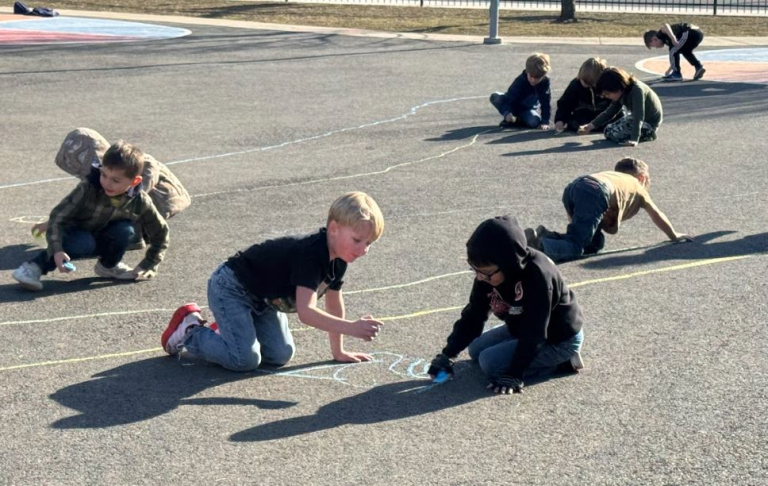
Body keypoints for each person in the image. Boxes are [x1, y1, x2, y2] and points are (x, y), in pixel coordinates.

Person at [161, 191, 386, 372]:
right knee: (244, 360)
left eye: (369, 243)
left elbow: (334, 305)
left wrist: (338, 351)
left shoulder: (339, 260)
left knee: (280, 355)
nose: (363, 250)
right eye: (357, 240)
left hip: (265, 300)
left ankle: (232, 330)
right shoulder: (311, 255)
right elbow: (307, 313)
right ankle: (191, 329)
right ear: (334, 229)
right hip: (231, 288)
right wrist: (352, 328)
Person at [427, 216, 585, 395]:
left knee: (491, 364)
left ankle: (562, 362)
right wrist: (448, 355)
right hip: (523, 326)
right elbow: (474, 315)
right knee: (475, 349)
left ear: (508, 263)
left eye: (486, 273)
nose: (480, 278)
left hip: (559, 338)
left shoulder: (538, 276)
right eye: (475, 271)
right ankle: (521, 354)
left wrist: (515, 373)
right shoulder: (488, 272)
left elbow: (535, 332)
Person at [12, 141, 169, 291]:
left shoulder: (139, 200)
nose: (107, 183)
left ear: (135, 181)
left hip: (100, 236)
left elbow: (161, 233)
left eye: (115, 180)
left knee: (125, 230)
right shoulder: (88, 188)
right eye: (104, 175)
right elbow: (58, 217)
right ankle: (32, 267)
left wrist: (149, 264)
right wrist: (57, 249)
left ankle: (108, 266)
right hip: (75, 235)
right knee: (83, 242)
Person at [31, 127, 190, 250]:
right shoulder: (107, 172)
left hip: (163, 198)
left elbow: (134, 194)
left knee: (121, 204)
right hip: (143, 200)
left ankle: (135, 235)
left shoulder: (134, 163)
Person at [525, 157, 692, 263]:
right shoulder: (638, 186)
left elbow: (576, 218)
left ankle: (545, 235)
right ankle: (540, 246)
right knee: (576, 247)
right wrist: (674, 235)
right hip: (596, 192)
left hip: (575, 186)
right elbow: (656, 214)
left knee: (595, 242)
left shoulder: (615, 177)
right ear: (642, 178)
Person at [578, 67, 663, 146]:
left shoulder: (637, 90)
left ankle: (648, 134)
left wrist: (634, 139)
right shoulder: (621, 93)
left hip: (649, 123)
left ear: (618, 87)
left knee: (616, 135)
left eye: (608, 94)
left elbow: (638, 116)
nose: (607, 96)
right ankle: (635, 132)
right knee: (608, 130)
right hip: (634, 118)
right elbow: (610, 112)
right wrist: (591, 125)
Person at [554, 57, 618, 133]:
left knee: (614, 122)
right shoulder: (575, 85)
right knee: (574, 123)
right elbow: (565, 104)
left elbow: (617, 104)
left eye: (590, 83)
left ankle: (598, 126)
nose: (585, 84)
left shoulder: (606, 86)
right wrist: (560, 120)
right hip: (584, 114)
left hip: (603, 114)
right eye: (584, 81)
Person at [490, 53, 552, 130]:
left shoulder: (545, 82)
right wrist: (507, 112)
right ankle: (512, 118)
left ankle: (519, 120)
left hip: (528, 109)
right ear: (527, 72)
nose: (533, 80)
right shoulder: (520, 81)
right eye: (531, 76)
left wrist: (545, 122)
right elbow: (509, 99)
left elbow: (545, 102)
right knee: (495, 97)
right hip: (512, 106)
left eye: (537, 78)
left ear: (543, 76)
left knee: (534, 122)